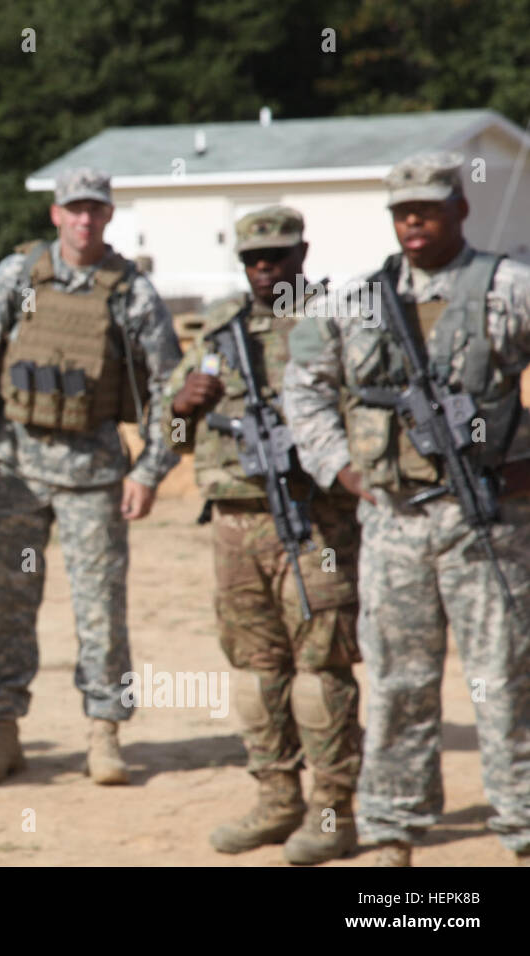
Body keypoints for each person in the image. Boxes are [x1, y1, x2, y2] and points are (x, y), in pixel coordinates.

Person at [284, 151, 530, 867]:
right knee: (398, 682)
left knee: (506, 680)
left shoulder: (509, 288)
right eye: (402, 211)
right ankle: (394, 827)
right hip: (394, 522)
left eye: (428, 208)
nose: (414, 222)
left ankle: (521, 824)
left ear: (461, 208)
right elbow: (303, 386)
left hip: (488, 523)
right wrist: (340, 468)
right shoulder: (356, 300)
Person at [0, 167, 182, 786]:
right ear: (56, 214)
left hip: (94, 473)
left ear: (108, 215)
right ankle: (2, 729)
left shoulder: (131, 292)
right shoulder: (18, 276)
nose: (84, 219)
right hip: (14, 469)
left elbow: (170, 387)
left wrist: (151, 470)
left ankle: (104, 732)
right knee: (9, 603)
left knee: (101, 608)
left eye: (95, 209)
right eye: (74, 208)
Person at [166, 206, 361, 864]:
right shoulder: (219, 330)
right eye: (252, 258)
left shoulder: (336, 321)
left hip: (314, 520)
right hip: (234, 524)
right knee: (255, 673)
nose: (264, 268)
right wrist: (181, 407)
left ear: (302, 253)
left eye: (276, 255)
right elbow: (170, 435)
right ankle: (277, 802)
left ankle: (333, 814)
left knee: (320, 672)